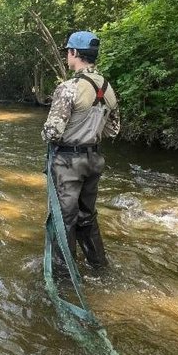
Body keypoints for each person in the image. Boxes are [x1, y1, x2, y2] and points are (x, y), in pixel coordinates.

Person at [41, 31, 120, 270]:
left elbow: (52, 132)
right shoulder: (107, 88)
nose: (67, 56)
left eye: (68, 52)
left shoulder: (68, 88)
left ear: (75, 53)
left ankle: (63, 275)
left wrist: (50, 133)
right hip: (94, 159)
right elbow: (113, 130)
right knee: (87, 215)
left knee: (63, 219)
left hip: (68, 163)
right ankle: (99, 266)